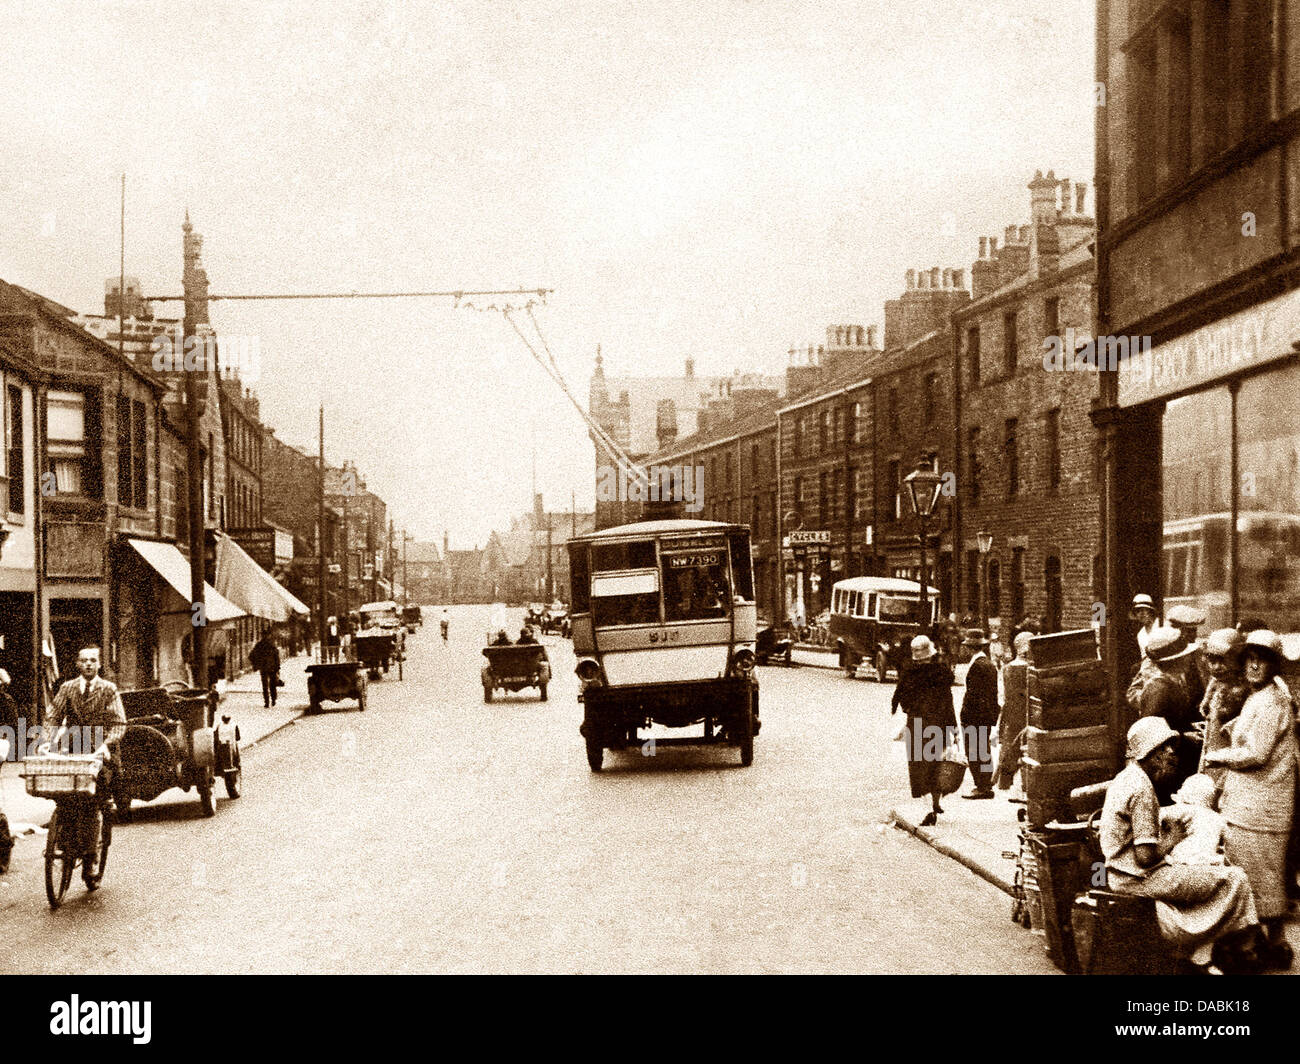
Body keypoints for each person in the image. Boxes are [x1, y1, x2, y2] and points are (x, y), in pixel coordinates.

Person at [1099, 717, 1259, 974]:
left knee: (1205, 875)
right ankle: (1207, 950)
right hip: (1138, 877)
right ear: (1147, 750)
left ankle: (1195, 948)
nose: (1170, 753)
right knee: (1235, 879)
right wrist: (1172, 840)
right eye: (1163, 747)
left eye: (1170, 746)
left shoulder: (1125, 778)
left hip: (1121, 872)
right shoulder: (1142, 789)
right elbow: (1145, 856)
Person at [1204, 630, 1299, 968]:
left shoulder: (1272, 701)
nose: (1254, 666)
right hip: (1252, 805)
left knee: (1257, 876)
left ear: (1273, 665)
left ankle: (1251, 948)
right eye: (1249, 659)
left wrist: (1220, 756)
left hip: (1260, 807)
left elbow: (1257, 753)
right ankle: (1270, 943)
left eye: (1262, 660)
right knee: (1259, 875)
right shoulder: (1261, 697)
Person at [39, 647, 127, 877]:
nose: (88, 664)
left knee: (92, 801)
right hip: (74, 749)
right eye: (84, 660)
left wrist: (106, 745)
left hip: (102, 753)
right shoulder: (67, 688)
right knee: (63, 794)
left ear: (99, 664)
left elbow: (118, 723)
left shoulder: (109, 689)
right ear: (77, 664)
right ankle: (63, 839)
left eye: (93, 660)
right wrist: (47, 741)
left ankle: (90, 858)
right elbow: (53, 716)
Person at [891, 635, 959, 827]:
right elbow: (948, 701)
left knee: (920, 767)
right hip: (939, 724)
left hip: (918, 724)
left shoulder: (909, 673)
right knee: (936, 764)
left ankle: (929, 809)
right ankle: (936, 803)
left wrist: (909, 711)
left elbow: (902, 699)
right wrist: (953, 727)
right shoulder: (941, 673)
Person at [1196, 629, 1249, 789]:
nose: (1217, 667)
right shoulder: (1218, 684)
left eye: (1223, 661)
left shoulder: (1242, 691)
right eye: (1212, 661)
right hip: (1213, 756)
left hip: (1229, 766)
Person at [960, 629, 999, 799]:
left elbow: (973, 694)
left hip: (975, 715)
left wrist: (965, 715)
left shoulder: (977, 666)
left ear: (969, 648)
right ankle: (985, 784)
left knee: (974, 751)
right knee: (983, 750)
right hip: (985, 714)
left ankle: (981, 786)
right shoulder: (988, 664)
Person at [996, 630, 1033, 793]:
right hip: (1028, 712)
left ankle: (1005, 781)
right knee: (1027, 747)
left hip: (1011, 712)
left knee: (1010, 746)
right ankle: (1024, 784)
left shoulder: (1007, 668)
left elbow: (1002, 695)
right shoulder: (1030, 669)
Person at [1164, 774, 1227, 866]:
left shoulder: (1181, 810)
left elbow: (1158, 815)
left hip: (1180, 858)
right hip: (1206, 860)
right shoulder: (1218, 818)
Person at [248, 626, 282, 709]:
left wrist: (256, 664)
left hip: (264, 667)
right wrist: (277, 667)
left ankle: (267, 701)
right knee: (272, 685)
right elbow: (276, 656)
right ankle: (273, 700)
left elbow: (251, 656)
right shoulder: (271, 645)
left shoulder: (259, 645)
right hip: (272, 667)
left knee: (265, 685)